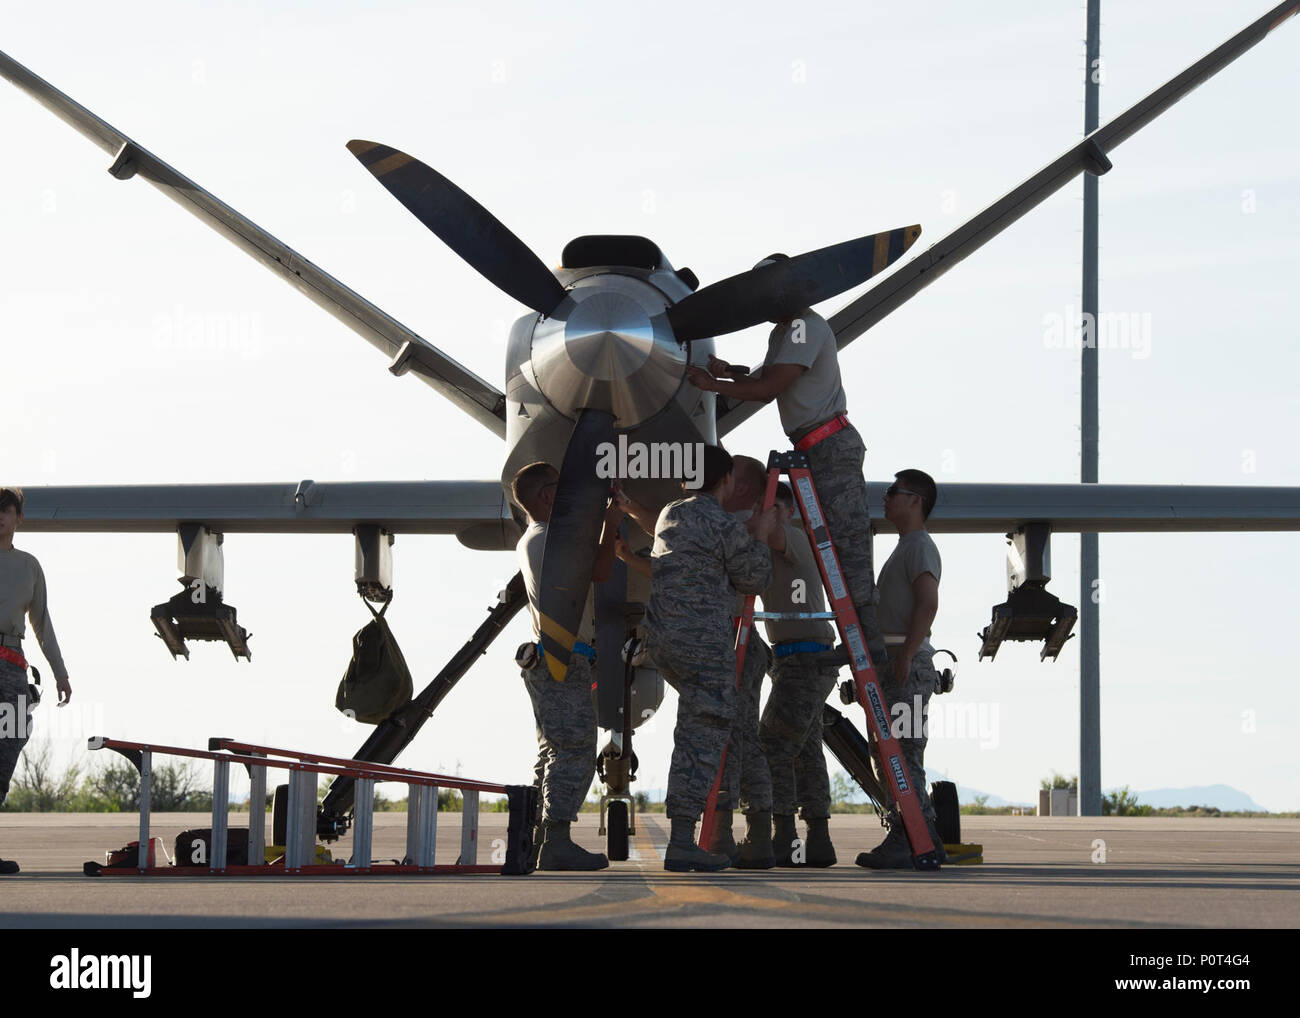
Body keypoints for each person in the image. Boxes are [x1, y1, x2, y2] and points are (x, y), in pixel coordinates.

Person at [685, 255, 892, 684]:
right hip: (814, 446)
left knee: (848, 550)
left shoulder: (804, 326)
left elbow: (767, 388)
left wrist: (713, 385)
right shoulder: (786, 331)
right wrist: (729, 373)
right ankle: (857, 647)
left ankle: (869, 651)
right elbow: (765, 375)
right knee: (830, 545)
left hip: (828, 446)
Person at [641, 446, 778, 872]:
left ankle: (691, 833)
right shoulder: (719, 522)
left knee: (694, 726)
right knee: (702, 736)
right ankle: (682, 840)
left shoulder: (669, 513)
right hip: (702, 643)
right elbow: (755, 575)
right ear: (726, 482)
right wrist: (761, 533)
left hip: (663, 640)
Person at [511, 462, 623, 871]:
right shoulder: (550, 538)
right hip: (564, 656)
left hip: (556, 655)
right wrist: (610, 520)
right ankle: (555, 839)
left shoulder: (535, 539)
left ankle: (541, 838)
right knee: (574, 746)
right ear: (546, 496)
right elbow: (601, 569)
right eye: (563, 486)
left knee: (555, 749)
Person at [856, 469, 946, 868]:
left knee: (901, 757)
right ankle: (923, 836)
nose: (886, 497)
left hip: (904, 664)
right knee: (888, 754)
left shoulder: (918, 547)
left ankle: (905, 838)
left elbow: (928, 603)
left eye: (894, 492)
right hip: (895, 661)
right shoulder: (906, 546)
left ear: (915, 500)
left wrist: (907, 655)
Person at [758, 482, 841, 867]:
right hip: (796, 659)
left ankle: (784, 836)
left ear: (789, 511)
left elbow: (767, 532)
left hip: (805, 659)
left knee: (772, 745)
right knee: (805, 750)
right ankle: (818, 840)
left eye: (774, 507)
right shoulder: (780, 539)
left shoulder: (789, 535)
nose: (764, 514)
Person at [1, 486, 73, 875]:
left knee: (9, 743)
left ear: (18, 518)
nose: (0, 517)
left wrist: (59, 672)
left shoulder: (28, 565)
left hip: (12, 665)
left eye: (6, 511)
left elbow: (42, 623)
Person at [712, 454, 776, 868]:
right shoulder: (752, 524)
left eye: (727, 479)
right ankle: (757, 835)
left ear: (745, 488)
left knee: (730, 738)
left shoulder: (735, 525)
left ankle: (722, 834)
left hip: (736, 639)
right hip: (742, 638)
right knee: (744, 738)